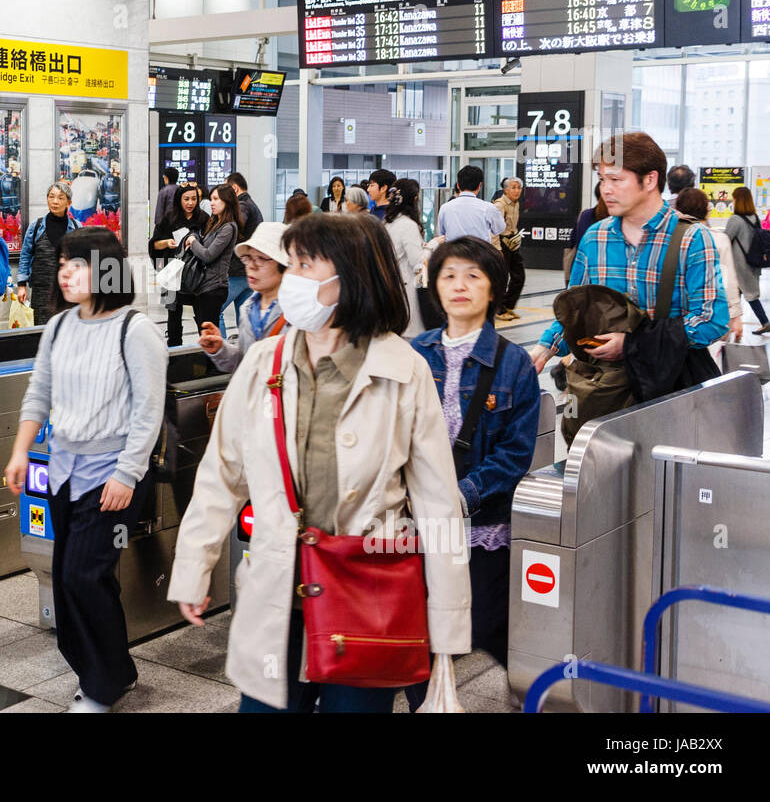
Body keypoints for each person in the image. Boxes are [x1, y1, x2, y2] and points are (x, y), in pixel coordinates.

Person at [169, 212, 471, 712]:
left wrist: (444, 624)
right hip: (277, 595)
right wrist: (193, 569)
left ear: (350, 277)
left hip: (365, 598)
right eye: (293, 265)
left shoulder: (404, 371)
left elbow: (439, 506)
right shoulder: (264, 363)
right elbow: (221, 477)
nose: (292, 280)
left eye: (306, 265)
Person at [4, 227, 166, 713]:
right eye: (64, 262)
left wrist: (126, 474)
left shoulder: (134, 330)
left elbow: (148, 409)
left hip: (113, 477)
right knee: (85, 577)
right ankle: (114, 670)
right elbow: (40, 393)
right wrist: (19, 451)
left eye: (78, 262)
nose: (66, 271)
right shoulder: (59, 326)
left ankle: (101, 684)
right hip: (64, 473)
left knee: (79, 577)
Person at [406, 236, 540, 709]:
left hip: (481, 528)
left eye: (473, 276)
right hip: (415, 526)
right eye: (448, 276)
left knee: (486, 624)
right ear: (434, 287)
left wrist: (460, 496)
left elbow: (514, 453)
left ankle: (534, 695)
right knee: (415, 633)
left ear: (493, 289)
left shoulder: (515, 364)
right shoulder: (412, 354)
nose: (459, 286)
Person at [531, 133, 729, 374]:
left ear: (649, 180)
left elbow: (711, 320)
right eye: (602, 180)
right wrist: (543, 350)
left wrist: (633, 344)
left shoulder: (692, 239)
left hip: (670, 385)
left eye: (616, 179)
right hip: (609, 386)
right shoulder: (595, 238)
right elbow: (576, 312)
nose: (606, 190)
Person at [196, 221, 286, 372]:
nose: (251, 265)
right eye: (248, 258)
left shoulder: (296, 315)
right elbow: (245, 363)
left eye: (261, 258)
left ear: (284, 264)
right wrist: (220, 349)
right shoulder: (249, 307)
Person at [170, 183, 240, 347]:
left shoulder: (228, 228)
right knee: (205, 332)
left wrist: (192, 241)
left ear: (227, 201)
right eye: (211, 199)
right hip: (203, 286)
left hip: (214, 287)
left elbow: (208, 255)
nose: (212, 203)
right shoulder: (215, 223)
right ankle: (208, 365)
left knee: (209, 333)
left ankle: (214, 367)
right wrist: (194, 236)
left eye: (216, 199)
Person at [675, 188, 742, 346]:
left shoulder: (669, 238)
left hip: (678, 321)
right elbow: (728, 281)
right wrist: (735, 316)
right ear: (707, 210)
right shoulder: (718, 239)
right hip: (712, 316)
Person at [17, 181, 80, 326]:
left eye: (60, 198)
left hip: (67, 288)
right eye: (51, 197)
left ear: (69, 202)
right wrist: (21, 285)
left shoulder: (76, 227)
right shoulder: (37, 226)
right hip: (41, 288)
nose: (55, 201)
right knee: (41, 328)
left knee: (66, 327)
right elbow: (25, 255)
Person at [724, 186, 770, 335]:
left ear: (738, 200)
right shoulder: (755, 217)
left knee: (742, 295)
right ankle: (735, 325)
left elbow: (726, 239)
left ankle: (731, 325)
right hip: (753, 262)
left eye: (734, 197)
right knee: (744, 295)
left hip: (739, 265)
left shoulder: (735, 219)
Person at [220, 172, 263, 338]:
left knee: (215, 310)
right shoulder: (252, 204)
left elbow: (234, 229)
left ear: (234, 188)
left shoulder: (242, 206)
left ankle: (220, 356)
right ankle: (246, 351)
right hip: (246, 271)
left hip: (237, 271)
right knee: (243, 315)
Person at [385, 178, 426, 337]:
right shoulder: (408, 225)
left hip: (393, 287)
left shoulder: (389, 223)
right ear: (415, 198)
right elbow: (418, 262)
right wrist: (433, 247)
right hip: (408, 288)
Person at [436, 164, 505, 245]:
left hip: (453, 254)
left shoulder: (445, 208)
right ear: (479, 186)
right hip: (480, 255)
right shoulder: (488, 208)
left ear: (458, 185)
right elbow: (500, 229)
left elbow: (441, 235)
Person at [149, 183, 206, 267]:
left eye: (194, 199)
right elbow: (154, 245)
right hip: (171, 266)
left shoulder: (203, 218)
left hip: (195, 268)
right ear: (179, 199)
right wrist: (167, 243)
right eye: (186, 199)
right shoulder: (168, 218)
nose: (190, 203)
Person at [495, 177, 525, 322]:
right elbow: (493, 229)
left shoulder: (516, 204)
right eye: (513, 187)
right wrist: (498, 248)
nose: (517, 190)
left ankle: (507, 306)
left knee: (519, 276)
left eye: (519, 187)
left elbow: (512, 225)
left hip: (512, 242)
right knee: (502, 278)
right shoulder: (500, 205)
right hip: (501, 243)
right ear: (506, 190)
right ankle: (498, 310)